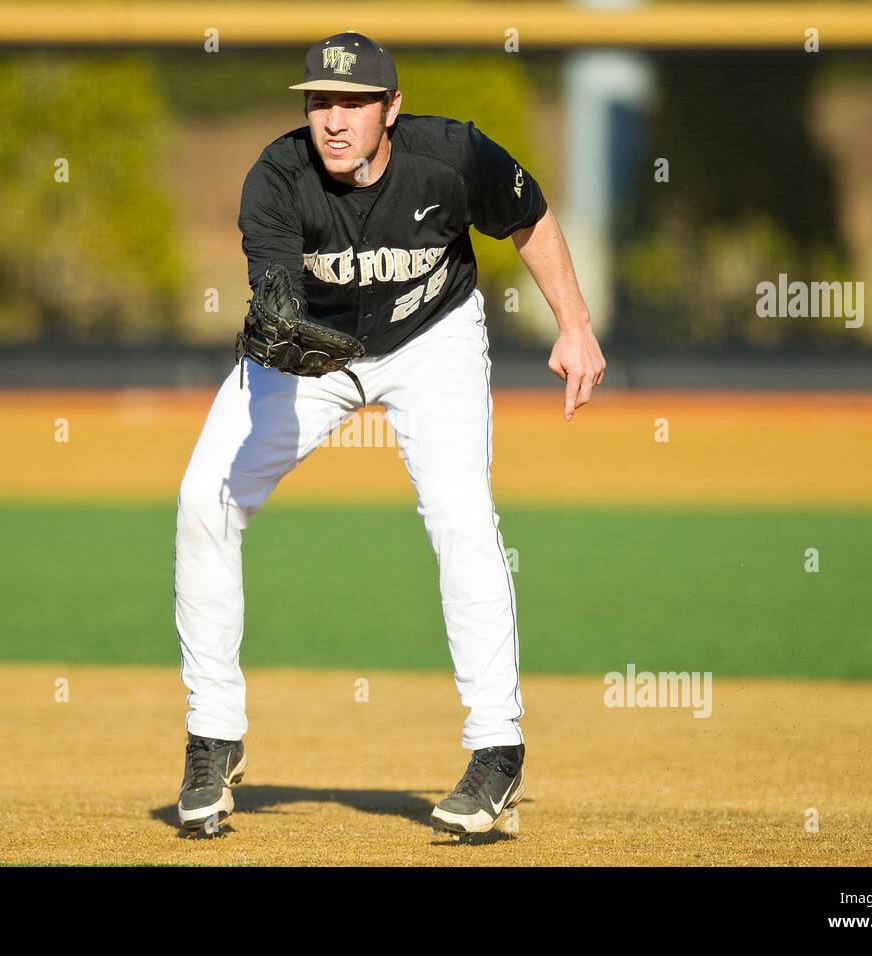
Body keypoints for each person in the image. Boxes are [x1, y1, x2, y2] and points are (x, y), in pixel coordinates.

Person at [174, 31, 606, 837]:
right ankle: (212, 737)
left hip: (430, 338)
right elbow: (274, 286)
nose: (334, 121)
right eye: (320, 103)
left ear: (391, 108)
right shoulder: (277, 177)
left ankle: (497, 749)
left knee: (461, 515)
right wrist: (276, 313)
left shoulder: (453, 157)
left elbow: (531, 217)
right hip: (316, 355)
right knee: (206, 498)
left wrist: (575, 325)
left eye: (353, 102)